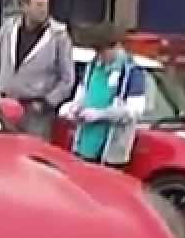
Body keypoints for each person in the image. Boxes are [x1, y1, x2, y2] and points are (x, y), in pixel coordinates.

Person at [0, 0, 75, 140]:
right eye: (39, 5)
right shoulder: (8, 28)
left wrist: (46, 103)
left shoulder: (59, 36)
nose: (43, 10)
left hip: (35, 114)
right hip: (4, 109)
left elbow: (67, 79)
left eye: (46, 5)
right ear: (25, 5)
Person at [58, 26, 146, 167]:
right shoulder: (92, 67)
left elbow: (134, 111)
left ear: (116, 47)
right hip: (85, 147)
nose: (100, 56)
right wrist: (73, 108)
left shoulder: (132, 72)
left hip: (111, 151)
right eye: (97, 51)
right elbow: (82, 95)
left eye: (103, 51)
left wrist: (101, 114)